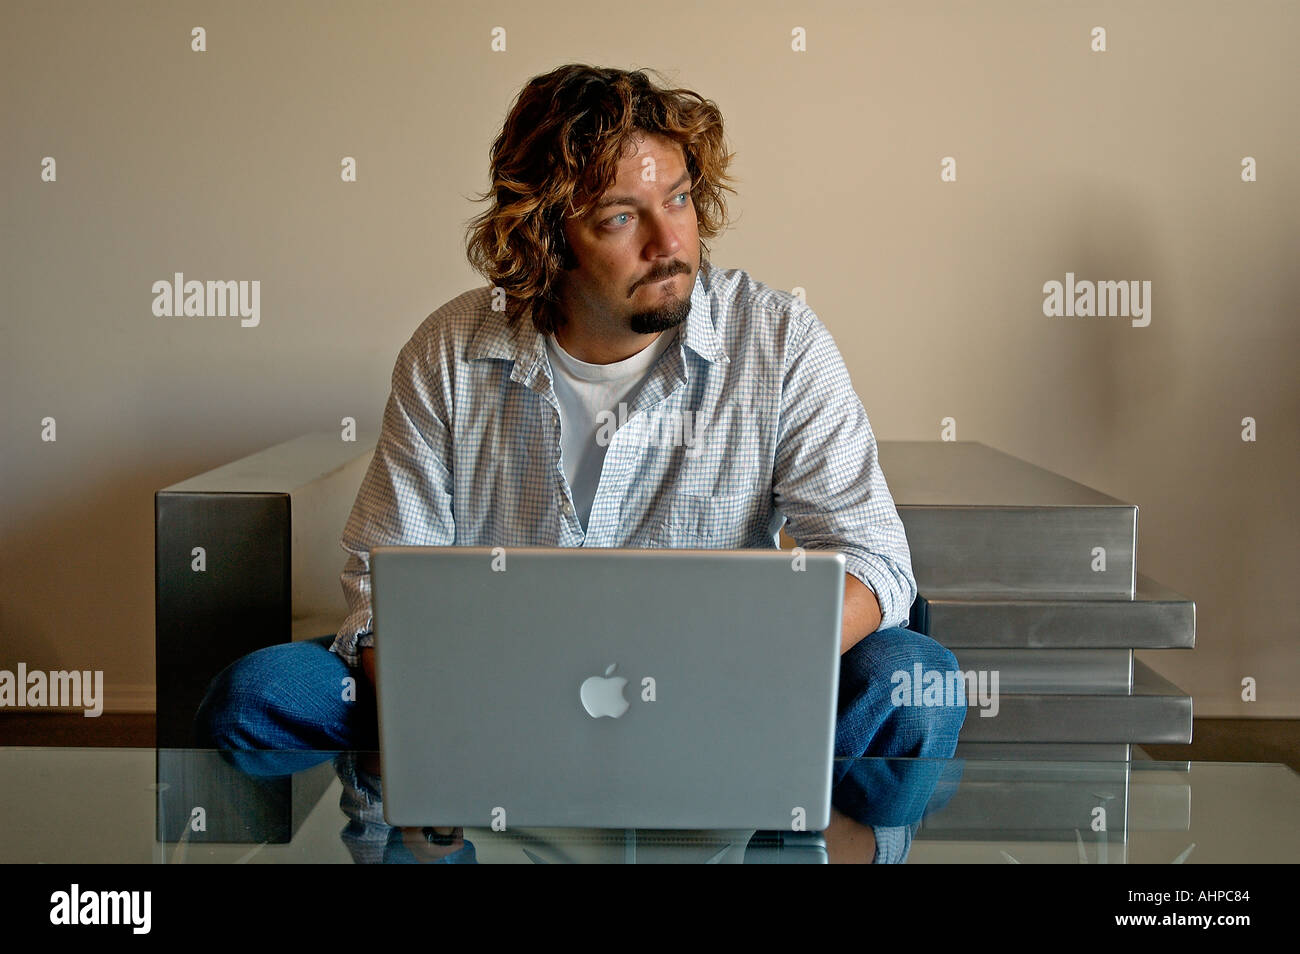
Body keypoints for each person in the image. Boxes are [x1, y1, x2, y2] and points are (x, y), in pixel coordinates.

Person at [197, 64, 966, 787]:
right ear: (545, 239)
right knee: (258, 695)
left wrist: (731, 666)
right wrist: (439, 742)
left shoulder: (778, 340)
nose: (670, 243)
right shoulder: (450, 353)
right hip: (490, 696)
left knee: (915, 682)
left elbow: (874, 559)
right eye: (621, 216)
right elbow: (384, 588)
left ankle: (797, 848)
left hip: (725, 701)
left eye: (679, 198)